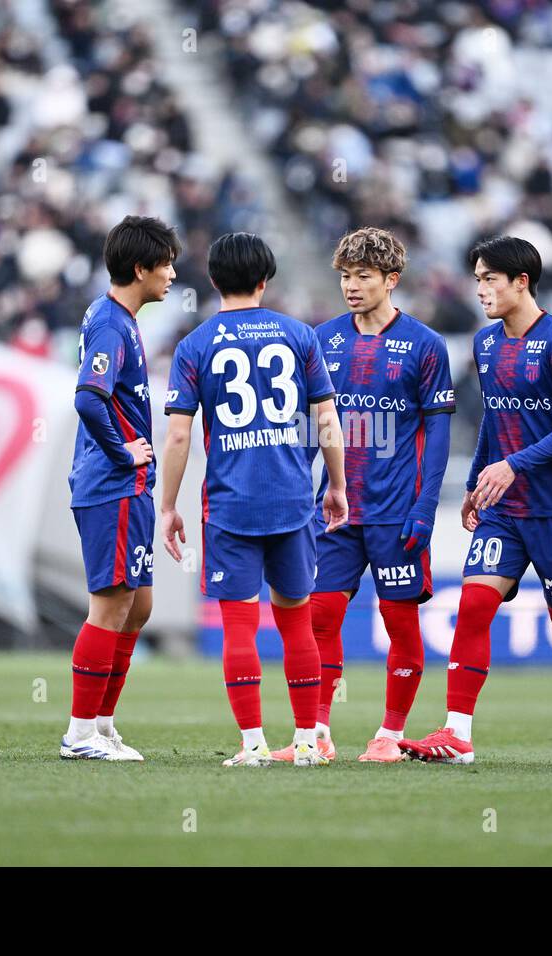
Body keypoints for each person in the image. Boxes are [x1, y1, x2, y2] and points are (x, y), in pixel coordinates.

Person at [400, 236, 552, 767]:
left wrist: (513, 465)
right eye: (477, 280)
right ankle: (457, 734)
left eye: (491, 279)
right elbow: (494, 418)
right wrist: (476, 483)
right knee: (472, 606)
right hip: (504, 514)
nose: (482, 290)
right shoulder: (485, 344)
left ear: (522, 282)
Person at [158, 232, 348, 767]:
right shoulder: (299, 336)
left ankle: (254, 746)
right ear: (266, 280)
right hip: (292, 499)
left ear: (213, 280)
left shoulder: (195, 344)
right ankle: (310, 742)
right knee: (296, 622)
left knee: (239, 624)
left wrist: (168, 505)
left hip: (230, 504)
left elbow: (177, 436)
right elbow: (327, 420)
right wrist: (335, 487)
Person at [276, 227, 454, 764]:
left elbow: (440, 433)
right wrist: (294, 485)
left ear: (391, 280)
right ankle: (319, 733)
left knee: (399, 622)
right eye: (345, 277)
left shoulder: (426, 345)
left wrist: (425, 508)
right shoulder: (321, 338)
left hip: (396, 510)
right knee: (320, 618)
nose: (351, 286)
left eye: (363, 277)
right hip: (335, 510)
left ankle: (390, 734)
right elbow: (314, 423)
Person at [62, 216, 178, 761]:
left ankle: (102, 723)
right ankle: (80, 734)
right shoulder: (111, 322)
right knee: (110, 607)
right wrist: (121, 451)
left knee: (138, 607)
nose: (173, 273)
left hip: (127, 485)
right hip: (112, 483)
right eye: (166, 264)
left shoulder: (120, 318)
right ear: (141, 268)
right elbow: (89, 396)